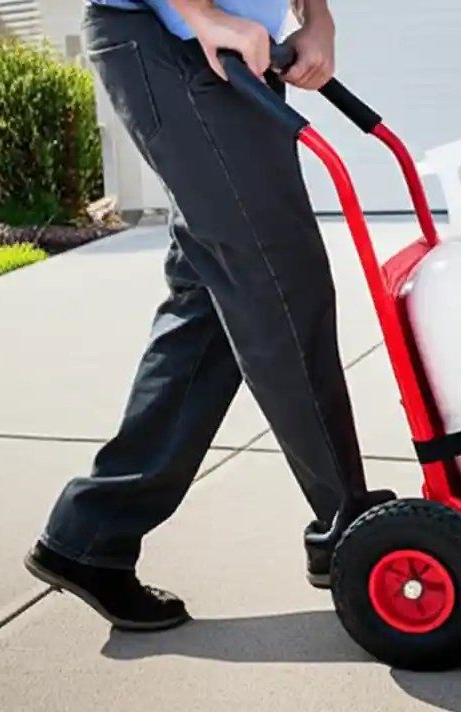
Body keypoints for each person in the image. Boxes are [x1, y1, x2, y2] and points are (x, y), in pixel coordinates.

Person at [23, 0, 394, 631]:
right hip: (173, 41)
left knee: (212, 304)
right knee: (278, 279)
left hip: (227, 46)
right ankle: (353, 529)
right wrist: (204, 16)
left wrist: (318, 19)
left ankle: (91, 535)